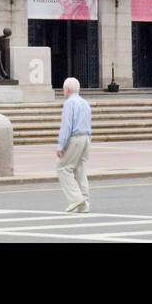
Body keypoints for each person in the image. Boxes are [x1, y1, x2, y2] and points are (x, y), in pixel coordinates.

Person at [55, 77, 92, 213]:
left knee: (63, 168)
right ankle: (85, 203)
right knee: (80, 169)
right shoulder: (84, 103)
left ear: (67, 89)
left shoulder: (69, 103)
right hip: (86, 138)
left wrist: (60, 146)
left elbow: (66, 126)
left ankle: (76, 199)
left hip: (75, 138)